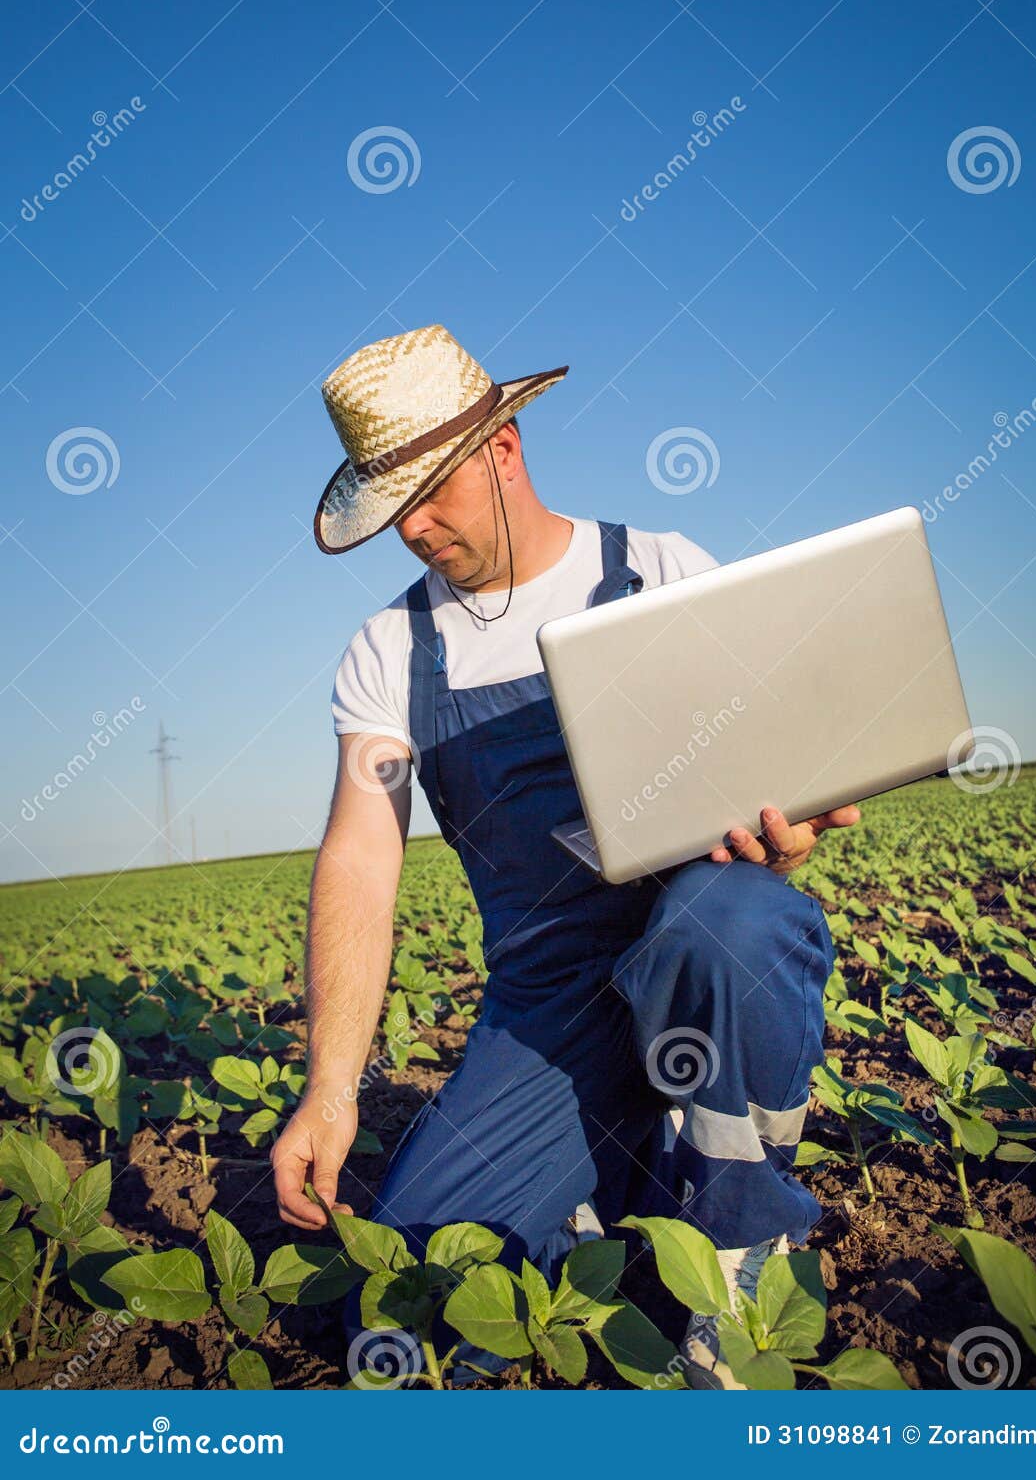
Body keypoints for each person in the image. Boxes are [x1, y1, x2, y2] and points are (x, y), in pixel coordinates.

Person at [271, 324, 860, 1387]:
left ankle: (740, 1236)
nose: (412, 528)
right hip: (548, 1006)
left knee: (731, 919)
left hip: (693, 953)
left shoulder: (661, 569)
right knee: (409, 1301)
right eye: (389, 504)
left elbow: (765, 772)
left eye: (429, 492)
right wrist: (330, 1085)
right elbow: (361, 855)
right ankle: (620, 1183)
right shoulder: (391, 653)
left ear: (501, 449)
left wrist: (784, 834)